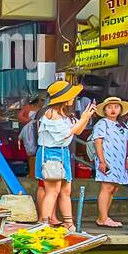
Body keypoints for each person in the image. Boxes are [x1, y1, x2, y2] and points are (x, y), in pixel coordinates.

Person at [36, 80, 96, 232]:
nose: (74, 97)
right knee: (53, 191)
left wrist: (85, 117)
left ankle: (69, 224)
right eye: (71, 95)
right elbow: (69, 132)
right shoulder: (51, 114)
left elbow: (78, 130)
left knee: (65, 190)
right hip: (51, 153)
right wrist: (84, 118)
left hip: (62, 152)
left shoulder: (64, 114)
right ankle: (45, 223)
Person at [89, 96, 128, 228]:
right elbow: (98, 142)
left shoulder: (122, 124)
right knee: (106, 187)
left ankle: (104, 216)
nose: (113, 110)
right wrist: (102, 161)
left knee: (113, 188)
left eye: (116, 107)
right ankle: (103, 218)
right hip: (107, 159)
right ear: (104, 110)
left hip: (120, 161)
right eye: (109, 107)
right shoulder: (102, 123)